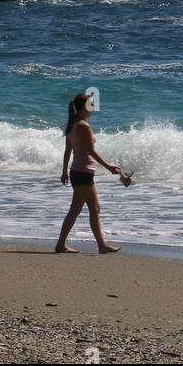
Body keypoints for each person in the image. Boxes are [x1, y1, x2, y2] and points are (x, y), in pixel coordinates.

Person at [55, 92, 121, 254]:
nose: (93, 108)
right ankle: (60, 244)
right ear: (83, 107)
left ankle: (102, 245)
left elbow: (67, 151)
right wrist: (109, 167)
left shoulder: (73, 124)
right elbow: (91, 151)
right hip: (83, 173)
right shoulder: (83, 126)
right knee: (75, 210)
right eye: (91, 105)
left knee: (95, 208)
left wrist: (64, 171)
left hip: (78, 172)